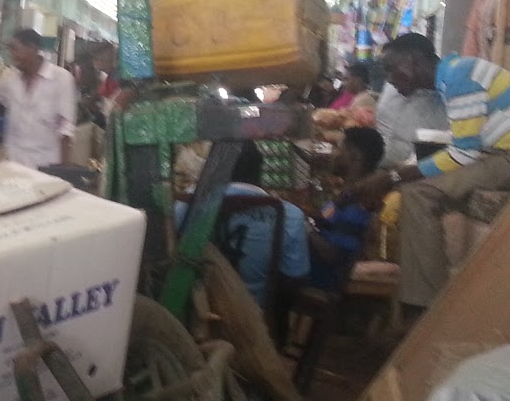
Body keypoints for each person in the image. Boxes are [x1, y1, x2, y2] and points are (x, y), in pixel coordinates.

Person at [348, 33, 510, 312]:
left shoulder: (459, 77)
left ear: (414, 61)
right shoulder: (454, 76)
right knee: (417, 188)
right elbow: (466, 145)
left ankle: (425, 307)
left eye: (392, 68)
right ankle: (422, 300)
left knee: (419, 193)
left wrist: (393, 177)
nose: (389, 78)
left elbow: (464, 153)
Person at [174, 142, 310, 310]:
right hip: (255, 319)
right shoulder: (290, 215)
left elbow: (172, 252)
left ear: (215, 170)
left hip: (195, 312)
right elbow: (294, 278)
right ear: (260, 170)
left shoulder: (187, 205)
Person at [306, 127, 386, 294]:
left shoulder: (359, 204)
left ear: (354, 155)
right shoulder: (346, 196)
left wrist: (304, 227)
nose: (333, 154)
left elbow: (334, 255)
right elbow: (324, 220)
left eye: (338, 148)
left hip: (320, 278)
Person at [0, 28, 77, 169]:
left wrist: (63, 169)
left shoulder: (61, 79)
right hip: (15, 161)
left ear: (32, 48)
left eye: (15, 50)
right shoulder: (10, 80)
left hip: (46, 162)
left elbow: (65, 127)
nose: (12, 56)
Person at [373, 77, 450, 169]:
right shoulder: (394, 88)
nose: (390, 79)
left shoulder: (443, 96)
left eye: (391, 68)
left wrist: (395, 176)